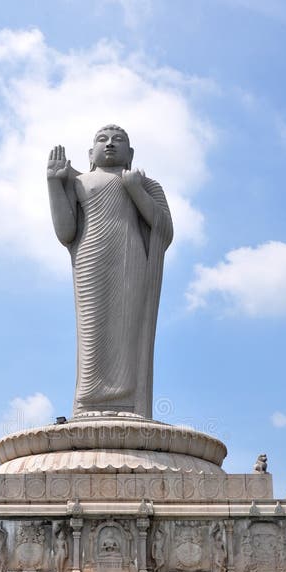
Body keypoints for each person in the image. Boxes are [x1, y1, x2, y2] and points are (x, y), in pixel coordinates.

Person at [47, 126, 173, 418]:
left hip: (131, 261)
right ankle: (89, 400)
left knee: (127, 329)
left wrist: (135, 189)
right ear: (91, 154)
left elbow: (164, 229)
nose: (110, 144)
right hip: (90, 259)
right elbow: (66, 232)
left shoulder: (145, 184)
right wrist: (54, 184)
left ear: (131, 154)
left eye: (119, 140)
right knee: (93, 330)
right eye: (102, 140)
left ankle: (129, 400)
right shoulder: (79, 182)